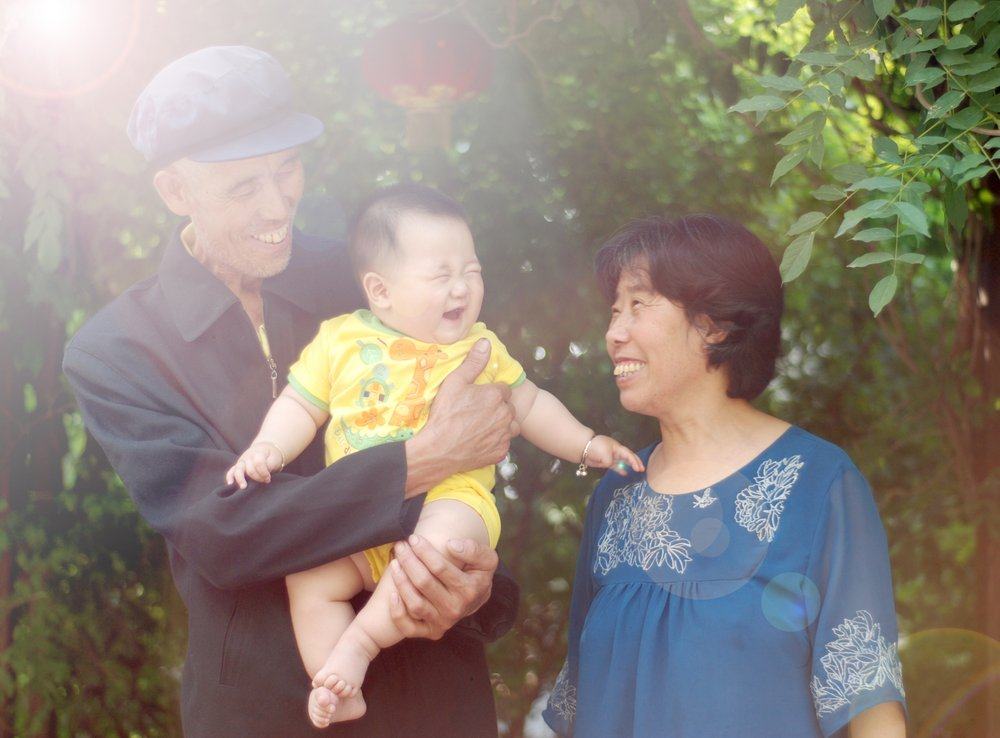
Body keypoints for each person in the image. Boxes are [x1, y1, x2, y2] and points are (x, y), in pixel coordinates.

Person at [63, 45, 520, 738]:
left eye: (288, 169)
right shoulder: (117, 350)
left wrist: (479, 589)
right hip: (260, 710)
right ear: (176, 192)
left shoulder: (371, 279)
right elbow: (221, 531)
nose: (278, 204)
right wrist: (420, 460)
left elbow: (479, 446)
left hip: (433, 694)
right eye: (243, 186)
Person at [224, 184, 644, 727]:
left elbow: (531, 404)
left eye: (472, 271)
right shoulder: (339, 340)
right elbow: (300, 405)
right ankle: (331, 682)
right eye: (440, 275)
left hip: (450, 500)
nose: (461, 288)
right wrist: (267, 449)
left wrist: (586, 443)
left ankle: (358, 647)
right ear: (381, 290)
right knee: (307, 577)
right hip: (358, 521)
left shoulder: (481, 348)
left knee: (440, 544)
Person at [543, 214, 907, 738]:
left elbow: (872, 710)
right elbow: (579, 709)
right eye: (615, 310)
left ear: (714, 324)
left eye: (639, 305)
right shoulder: (617, 493)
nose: (614, 333)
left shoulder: (819, 483)